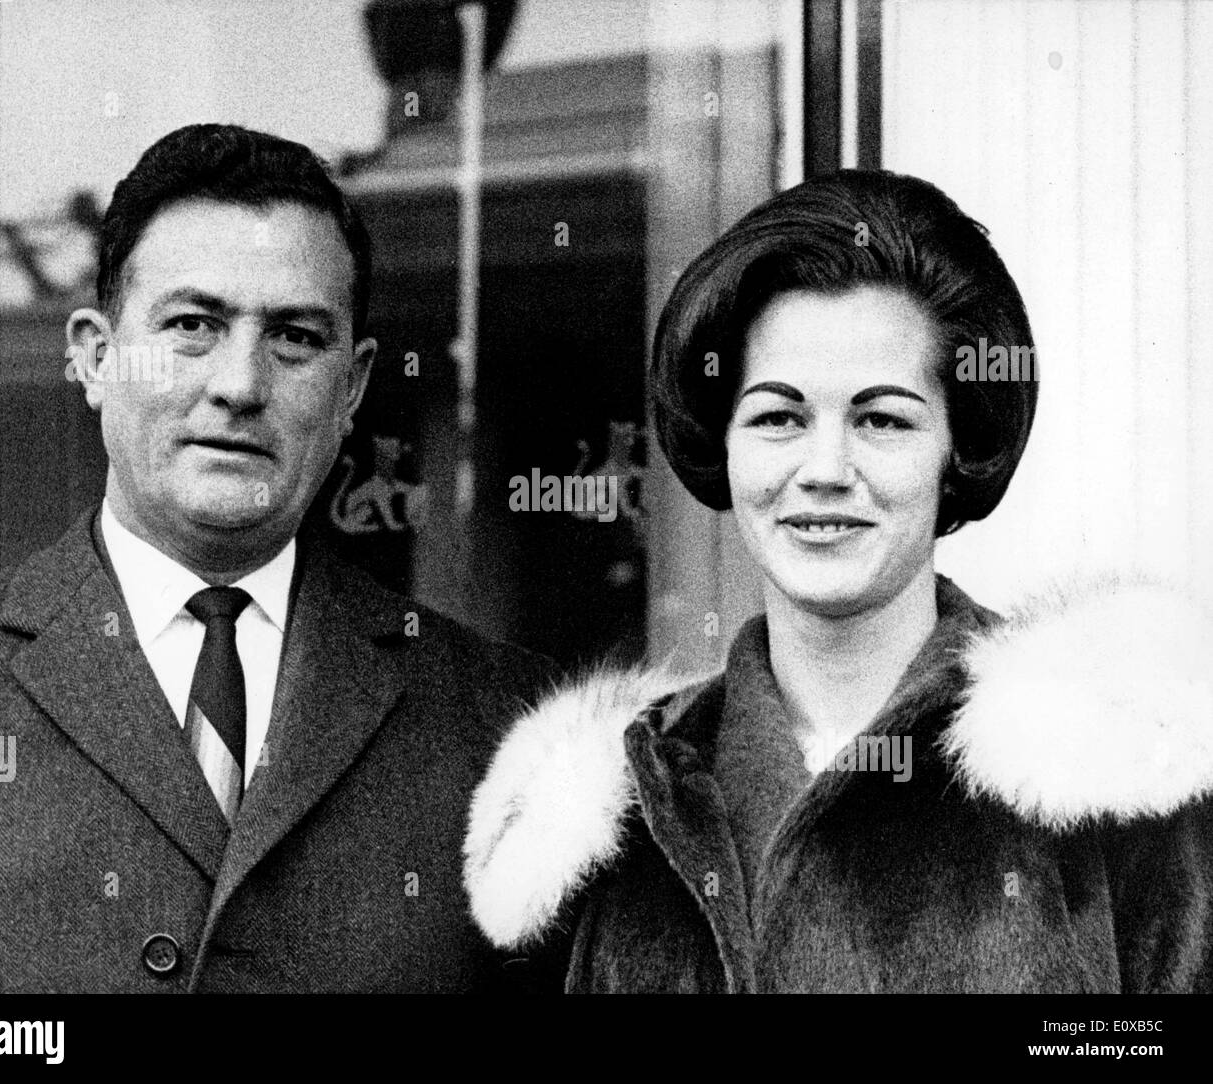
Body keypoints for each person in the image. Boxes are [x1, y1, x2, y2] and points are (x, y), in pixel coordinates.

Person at [464, 169, 1213, 993]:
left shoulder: (1118, 775)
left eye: (882, 420)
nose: (824, 470)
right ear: (727, 447)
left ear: (954, 450)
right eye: (779, 418)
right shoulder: (602, 817)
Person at [0, 123, 556, 992]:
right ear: (95, 357)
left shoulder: (507, 727)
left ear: (353, 386)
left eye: (294, 336)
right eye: (192, 324)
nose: (240, 383)